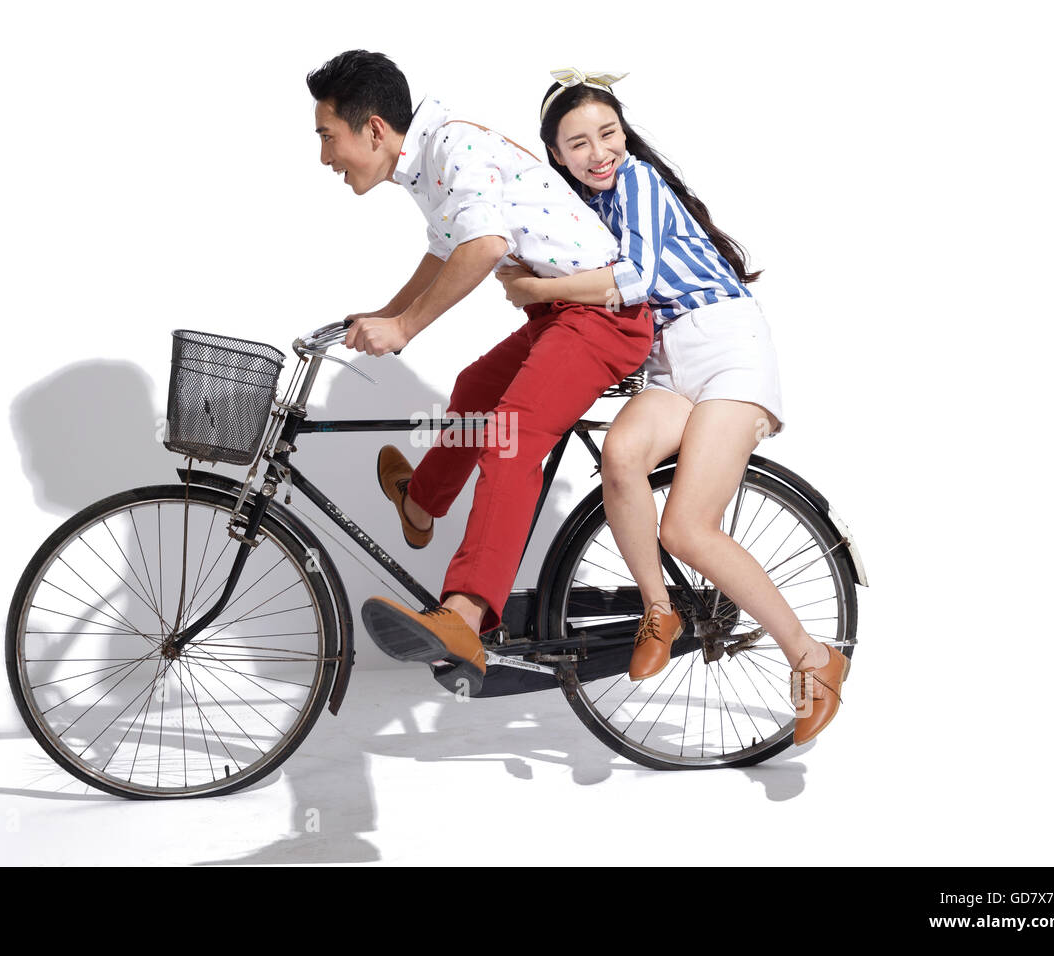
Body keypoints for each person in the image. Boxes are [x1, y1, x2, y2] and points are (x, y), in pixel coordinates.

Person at [494, 68, 846, 745]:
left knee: (686, 529)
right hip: (666, 364)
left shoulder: (637, 182)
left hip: (725, 347)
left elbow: (636, 279)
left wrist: (537, 290)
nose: (600, 153)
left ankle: (811, 656)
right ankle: (661, 611)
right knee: (622, 460)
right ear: (557, 156)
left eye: (608, 134)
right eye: (579, 144)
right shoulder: (580, 213)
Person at [306, 51, 655, 696]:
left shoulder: (453, 148)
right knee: (473, 389)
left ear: (374, 131)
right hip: (560, 314)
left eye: (329, 136)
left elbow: (485, 246)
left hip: (603, 317)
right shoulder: (429, 163)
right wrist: (388, 312)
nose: (327, 156)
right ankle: (421, 503)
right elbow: (446, 248)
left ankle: (465, 616)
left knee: (508, 437)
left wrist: (406, 328)